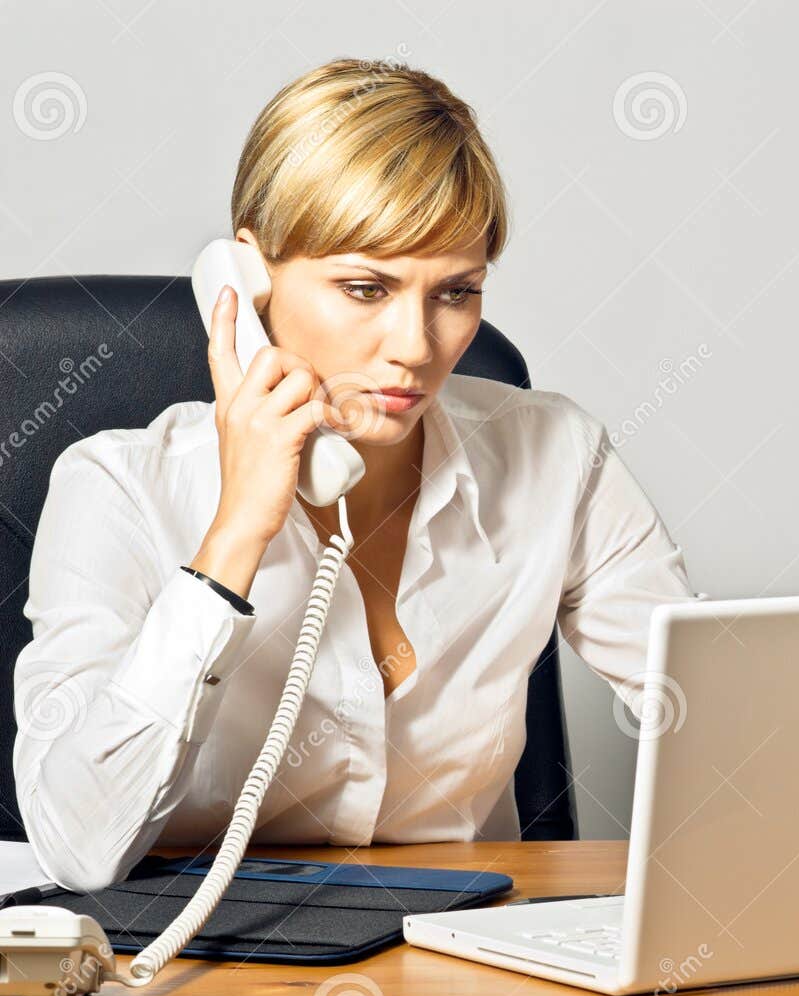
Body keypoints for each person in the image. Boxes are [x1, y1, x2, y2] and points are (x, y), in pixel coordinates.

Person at [14, 58, 700, 892]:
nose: (415, 344)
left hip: (461, 975)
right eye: (365, 287)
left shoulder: (556, 455)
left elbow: (724, 714)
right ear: (248, 278)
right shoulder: (118, 488)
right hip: (190, 986)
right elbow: (77, 845)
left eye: (455, 291)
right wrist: (233, 539)